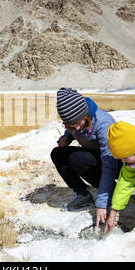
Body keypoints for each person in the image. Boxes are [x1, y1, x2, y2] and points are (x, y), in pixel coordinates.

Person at [51, 88, 119, 228]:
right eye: (70, 125)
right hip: (93, 156)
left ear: (85, 114)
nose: (75, 127)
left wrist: (102, 201)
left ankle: (110, 191)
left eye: (78, 123)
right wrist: (66, 138)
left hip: (113, 162)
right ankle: (83, 194)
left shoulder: (103, 124)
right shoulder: (75, 124)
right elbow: (73, 130)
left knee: (77, 159)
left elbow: (109, 163)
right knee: (57, 154)